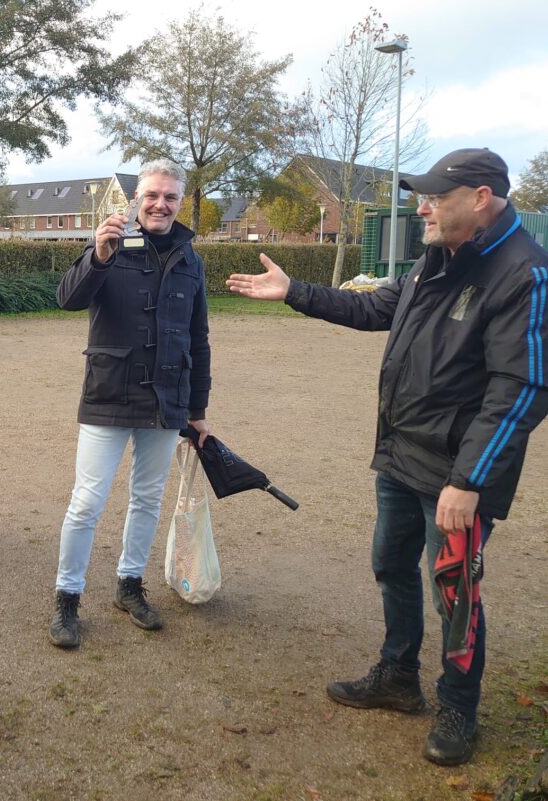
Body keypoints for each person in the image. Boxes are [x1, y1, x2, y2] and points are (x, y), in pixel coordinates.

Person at [226, 148, 548, 766]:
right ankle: (399, 676)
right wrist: (296, 292)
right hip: (401, 453)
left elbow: (524, 386)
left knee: (454, 590)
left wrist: (470, 479)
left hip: (456, 477)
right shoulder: (437, 260)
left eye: (433, 197)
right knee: (389, 565)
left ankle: (459, 704)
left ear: (480, 198)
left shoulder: (523, 274)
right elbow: (376, 307)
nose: (420, 208)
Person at [48, 159, 212, 649]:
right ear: (136, 200)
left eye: (171, 197)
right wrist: (98, 255)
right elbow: (67, 298)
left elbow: (198, 339)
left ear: (180, 203)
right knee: (87, 503)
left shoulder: (191, 259)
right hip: (109, 392)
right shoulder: (109, 243)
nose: (160, 204)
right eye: (152, 196)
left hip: (167, 398)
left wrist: (197, 409)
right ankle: (67, 597)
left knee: (147, 499)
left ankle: (129, 584)